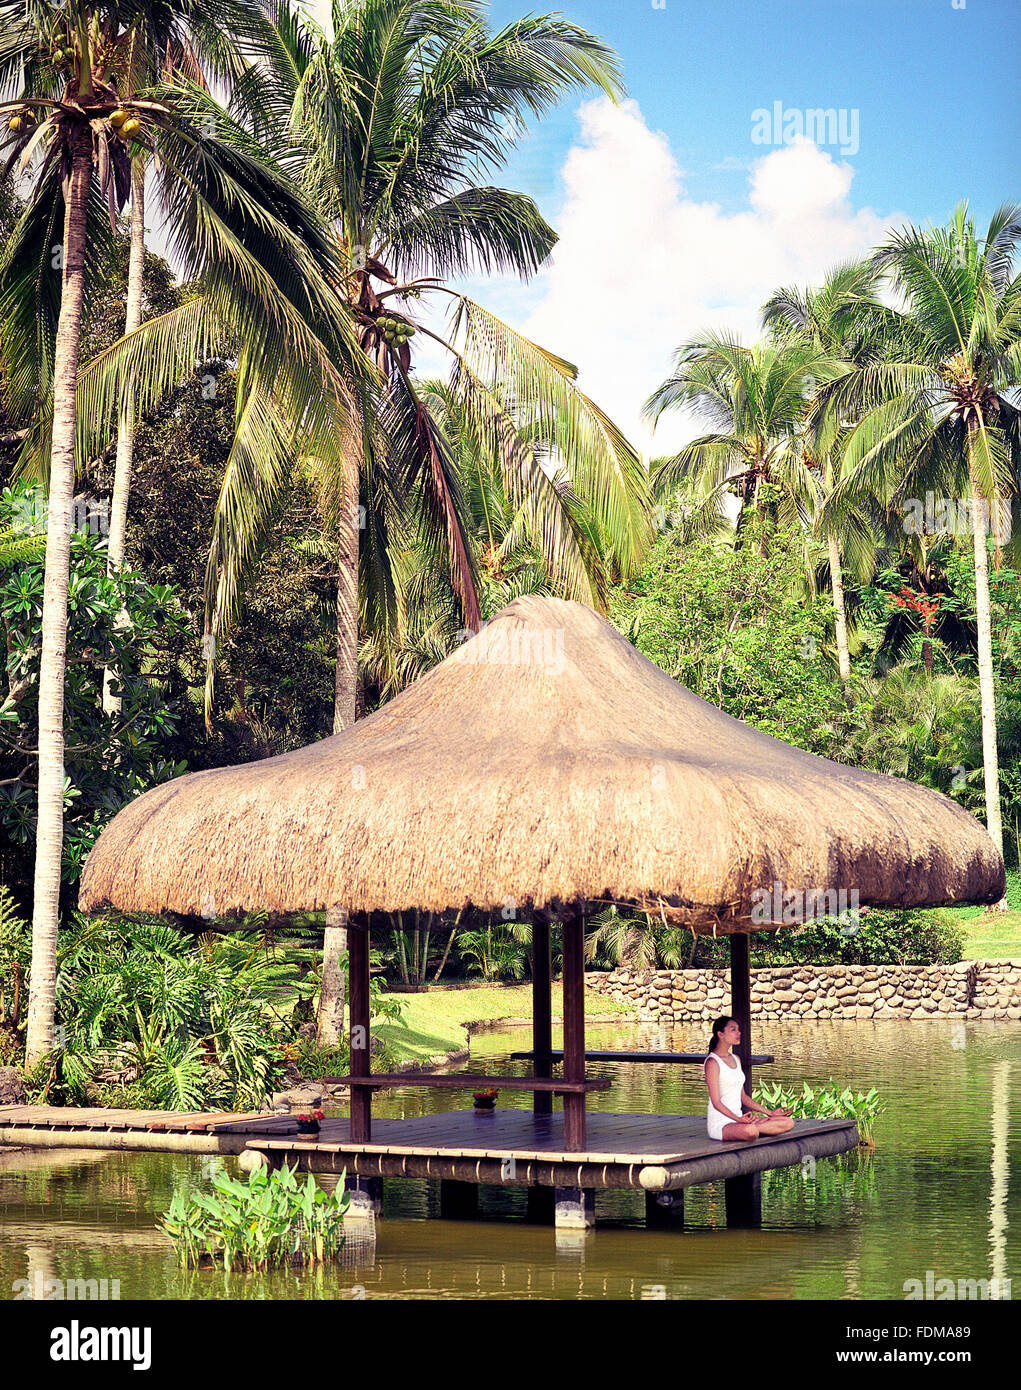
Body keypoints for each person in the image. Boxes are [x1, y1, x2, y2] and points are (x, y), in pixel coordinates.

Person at [704, 1015, 794, 1142]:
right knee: (751, 1131)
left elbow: (743, 1097)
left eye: (738, 1029)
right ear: (720, 1034)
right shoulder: (712, 1062)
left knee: (788, 1122)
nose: (739, 1033)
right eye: (733, 1029)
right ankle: (753, 1127)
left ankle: (754, 1126)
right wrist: (739, 1120)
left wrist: (771, 1113)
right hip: (721, 1124)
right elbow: (716, 1103)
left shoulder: (736, 1059)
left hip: (740, 1121)